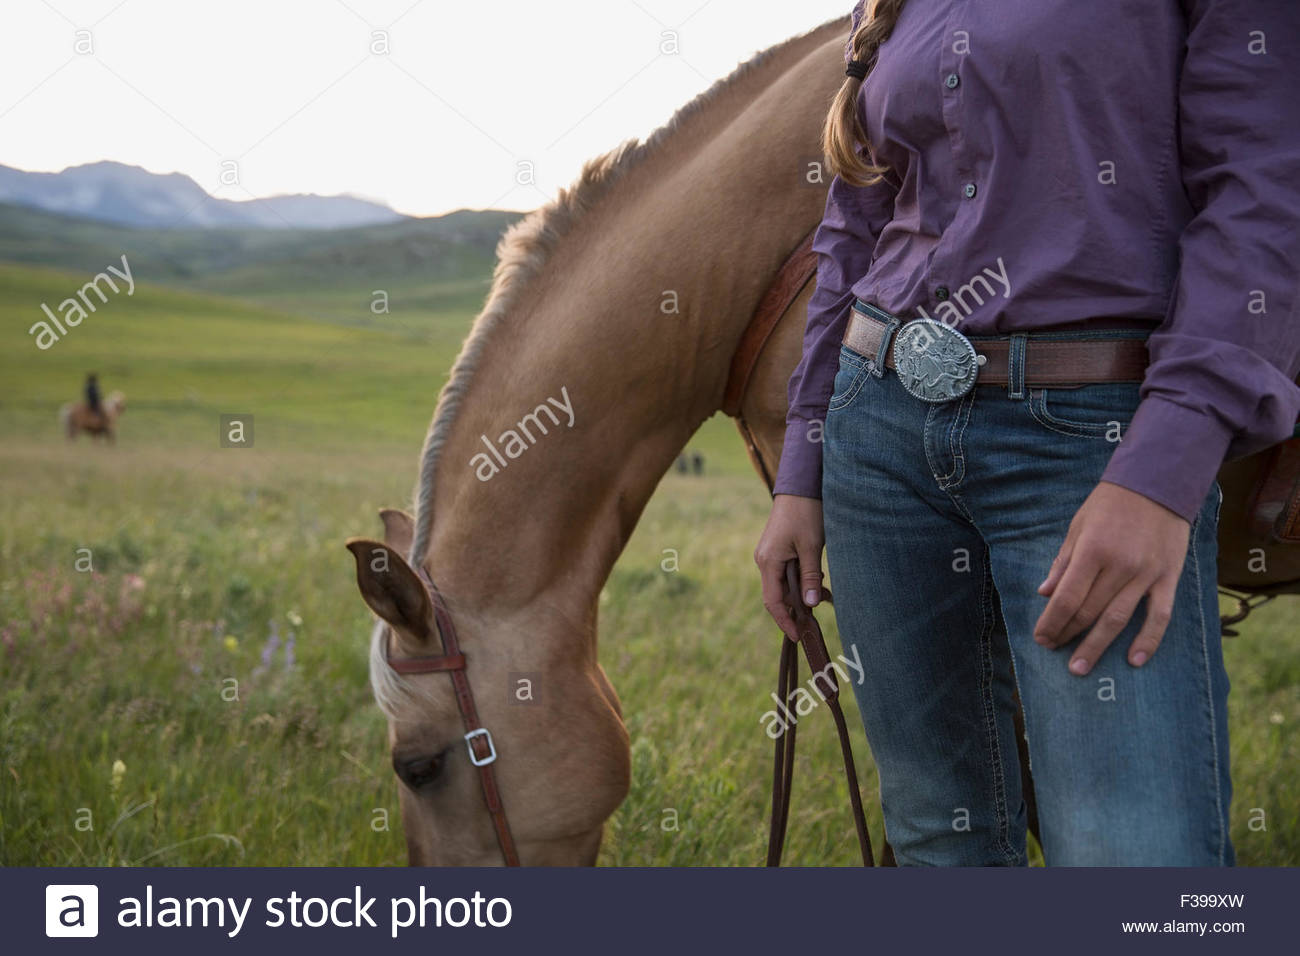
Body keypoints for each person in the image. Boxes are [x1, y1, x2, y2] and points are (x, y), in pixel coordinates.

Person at [754, 0, 1300, 866]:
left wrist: (1161, 472)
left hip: (1089, 441)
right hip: (880, 434)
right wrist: (804, 465)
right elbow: (853, 228)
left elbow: (1268, 196)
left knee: (1134, 857)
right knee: (939, 832)